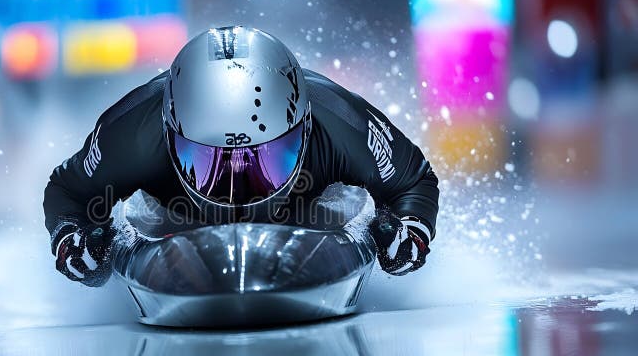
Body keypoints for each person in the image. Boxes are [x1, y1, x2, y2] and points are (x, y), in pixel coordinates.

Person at [44, 26, 439, 287]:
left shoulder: (340, 120)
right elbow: (68, 190)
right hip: (177, 218)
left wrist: (408, 232)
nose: (238, 195)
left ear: (305, 125)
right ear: (168, 131)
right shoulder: (131, 131)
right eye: (208, 162)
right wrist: (77, 244)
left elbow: (413, 181)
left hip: (307, 210)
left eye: (267, 159)